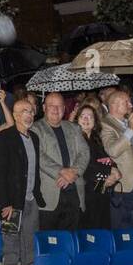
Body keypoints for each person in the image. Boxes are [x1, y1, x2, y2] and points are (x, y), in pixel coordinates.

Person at [0, 97, 44, 265]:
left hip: (31, 200)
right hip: (12, 204)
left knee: (30, 247)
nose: (29, 114)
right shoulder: (4, 138)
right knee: (11, 249)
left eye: (31, 111)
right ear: (14, 115)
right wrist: (4, 203)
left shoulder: (34, 138)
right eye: (25, 111)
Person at [30, 92, 90, 231]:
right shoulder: (35, 129)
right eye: (52, 106)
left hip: (74, 193)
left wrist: (74, 172)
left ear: (64, 109)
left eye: (59, 106)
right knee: (49, 242)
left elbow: (84, 152)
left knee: (70, 241)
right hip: (49, 195)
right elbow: (38, 155)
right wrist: (62, 171)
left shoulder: (74, 128)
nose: (56, 109)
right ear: (44, 107)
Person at [98, 89, 133, 230]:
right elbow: (113, 150)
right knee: (123, 233)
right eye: (126, 102)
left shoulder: (131, 123)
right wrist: (130, 130)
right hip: (123, 188)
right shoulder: (105, 124)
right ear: (114, 105)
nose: (131, 105)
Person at [75, 102, 118, 231]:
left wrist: (115, 171)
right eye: (83, 116)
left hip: (99, 193)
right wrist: (107, 176)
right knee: (89, 232)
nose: (87, 119)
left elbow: (107, 160)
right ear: (77, 119)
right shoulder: (75, 140)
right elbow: (87, 167)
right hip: (84, 193)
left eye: (90, 116)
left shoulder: (96, 140)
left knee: (101, 230)